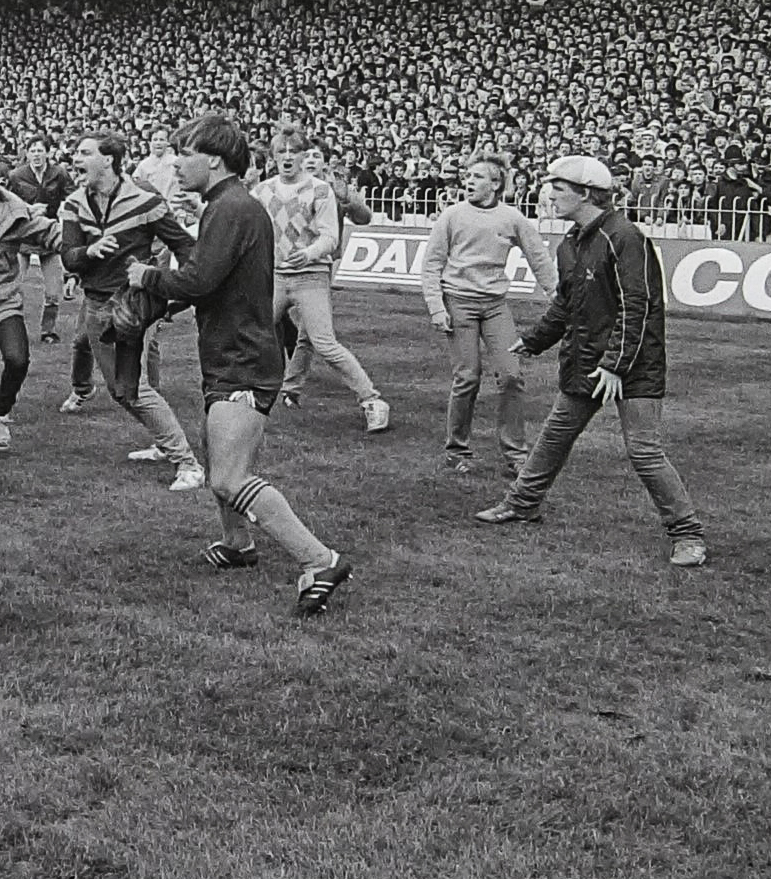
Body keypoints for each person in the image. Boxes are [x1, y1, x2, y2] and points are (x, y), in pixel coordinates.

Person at [125, 116, 353, 616]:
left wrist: (148, 279)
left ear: (213, 159)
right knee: (217, 455)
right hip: (233, 351)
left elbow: (199, 280)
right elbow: (212, 281)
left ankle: (320, 559)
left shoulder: (231, 208)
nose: (176, 163)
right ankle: (238, 545)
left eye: (183, 154)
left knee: (229, 476)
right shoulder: (226, 207)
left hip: (243, 360)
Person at [476, 155, 707, 568]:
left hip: (631, 366)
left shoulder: (625, 238)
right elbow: (567, 304)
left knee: (644, 451)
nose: (550, 194)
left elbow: (636, 306)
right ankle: (522, 504)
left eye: (559, 188)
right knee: (554, 437)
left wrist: (616, 364)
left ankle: (687, 534)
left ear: (585, 193)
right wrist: (534, 341)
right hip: (586, 360)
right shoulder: (571, 243)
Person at [57, 131, 206, 491]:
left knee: (131, 389)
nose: (75, 158)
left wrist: (179, 288)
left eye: (84, 152)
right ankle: (165, 445)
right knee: (124, 389)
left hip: (131, 305)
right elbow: (68, 255)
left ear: (108, 160)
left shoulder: (144, 201)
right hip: (95, 304)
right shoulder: (75, 202)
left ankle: (188, 465)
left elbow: (185, 245)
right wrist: (88, 253)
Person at [418, 153, 555, 477]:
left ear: (495, 184)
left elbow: (539, 258)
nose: (469, 181)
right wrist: (437, 307)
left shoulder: (513, 218)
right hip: (458, 303)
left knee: (511, 375)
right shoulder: (451, 216)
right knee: (467, 377)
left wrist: (556, 297)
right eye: (468, 175)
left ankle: (516, 455)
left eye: (478, 176)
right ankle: (457, 450)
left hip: (495, 305)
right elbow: (432, 264)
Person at [255, 130, 389, 432]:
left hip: (311, 276)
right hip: (275, 276)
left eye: (294, 151)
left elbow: (331, 236)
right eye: (282, 152)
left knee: (324, 343)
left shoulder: (320, 190)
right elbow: (244, 224)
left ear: (304, 156)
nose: (288, 156)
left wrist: (310, 253)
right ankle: (245, 396)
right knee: (252, 335)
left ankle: (372, 401)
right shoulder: (262, 191)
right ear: (273, 157)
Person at [0, 166, 63, 450]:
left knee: (18, 358)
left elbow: (52, 234)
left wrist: (81, 252)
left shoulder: (13, 216)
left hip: (0, 298)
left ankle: (1, 414)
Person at [4, 138, 74, 342]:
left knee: (53, 291)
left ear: (47, 153)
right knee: (13, 287)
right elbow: (7, 202)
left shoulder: (59, 173)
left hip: (48, 236)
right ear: (27, 153)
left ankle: (48, 331)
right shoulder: (17, 175)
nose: (36, 154)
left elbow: (71, 197)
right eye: (32, 150)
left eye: (40, 150)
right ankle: (12, 332)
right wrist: (27, 210)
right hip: (23, 235)